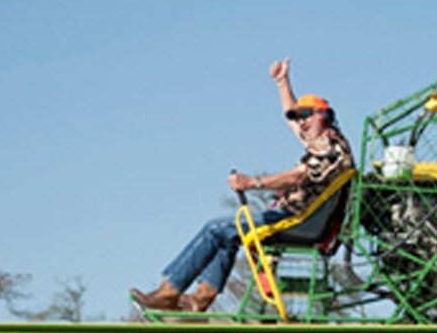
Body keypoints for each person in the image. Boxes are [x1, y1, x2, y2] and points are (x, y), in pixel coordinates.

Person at [130, 57, 354, 313]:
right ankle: (199, 300)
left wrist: (252, 182)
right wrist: (282, 83)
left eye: (306, 116)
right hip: (300, 217)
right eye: (298, 116)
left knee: (215, 229)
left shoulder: (329, 146)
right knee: (228, 233)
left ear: (324, 116)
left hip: (299, 220)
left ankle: (168, 294)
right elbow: (290, 119)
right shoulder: (324, 142)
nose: (300, 122)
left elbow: (297, 177)